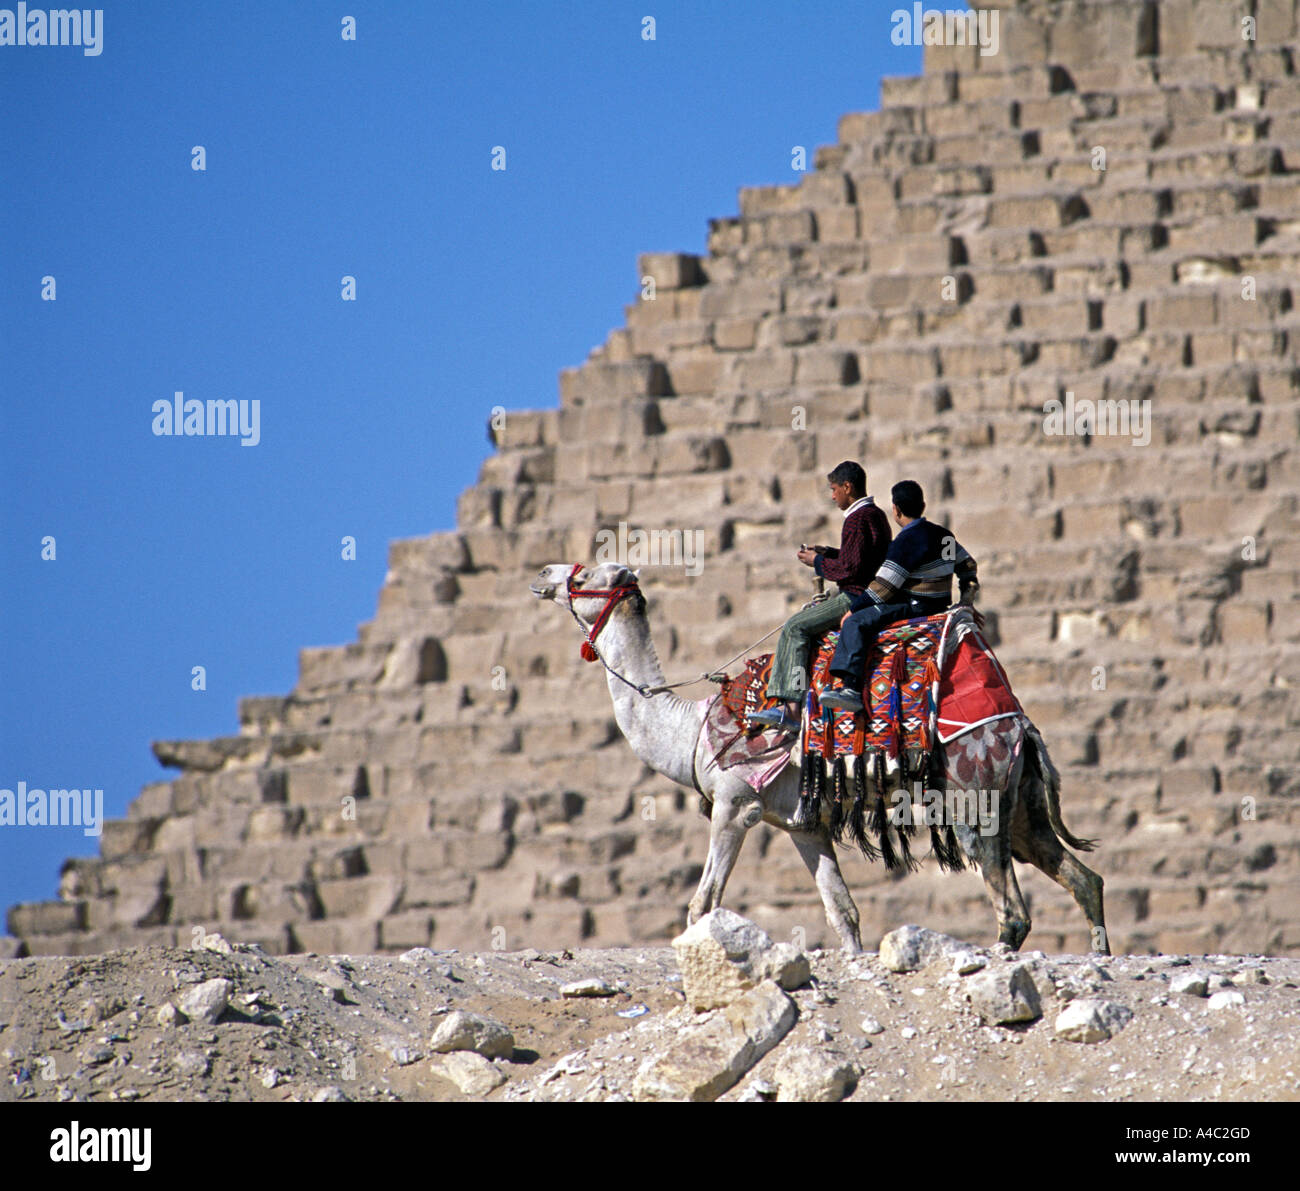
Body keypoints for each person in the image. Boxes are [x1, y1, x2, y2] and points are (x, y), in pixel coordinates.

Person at [749, 461, 892, 730]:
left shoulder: (856, 518)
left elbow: (851, 570)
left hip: (855, 596)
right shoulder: (875, 514)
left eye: (834, 489)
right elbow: (861, 559)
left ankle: (790, 707)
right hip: (872, 592)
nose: (832, 495)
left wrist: (816, 562)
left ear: (848, 488)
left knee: (795, 627)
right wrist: (829, 553)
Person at [819, 480, 979, 712]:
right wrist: (966, 602)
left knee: (856, 623)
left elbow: (884, 587)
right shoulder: (943, 536)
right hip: (939, 605)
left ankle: (850, 688)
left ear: (896, 510)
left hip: (915, 607)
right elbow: (967, 566)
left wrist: (854, 610)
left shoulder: (905, 542)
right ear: (922, 506)